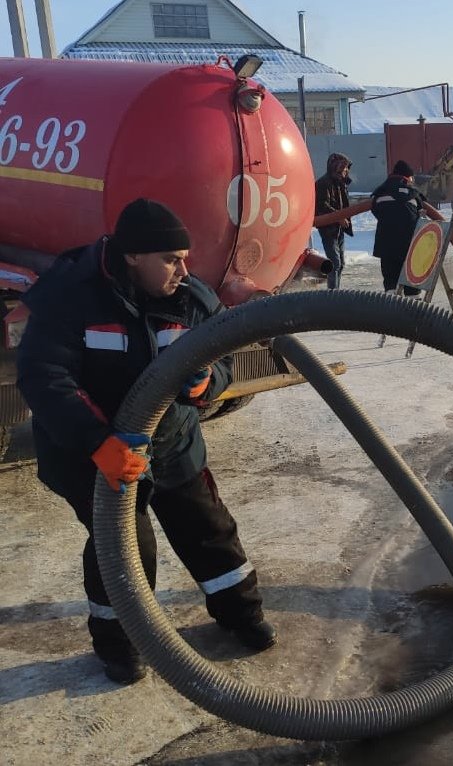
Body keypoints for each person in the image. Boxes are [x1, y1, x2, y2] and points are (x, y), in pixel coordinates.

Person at [16, 199, 276, 686]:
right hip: (94, 452)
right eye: (171, 259)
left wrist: (206, 384)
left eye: (185, 257)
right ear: (133, 257)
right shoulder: (70, 295)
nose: (185, 269)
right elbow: (44, 375)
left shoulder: (191, 298)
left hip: (171, 441)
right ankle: (122, 644)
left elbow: (224, 359)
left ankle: (241, 614)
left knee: (209, 530)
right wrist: (99, 443)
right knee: (125, 544)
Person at [370, 160, 427, 296]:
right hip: (409, 245)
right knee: (411, 281)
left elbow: (376, 211)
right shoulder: (413, 193)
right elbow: (420, 213)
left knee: (390, 282)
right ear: (407, 177)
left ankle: (391, 309)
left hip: (386, 245)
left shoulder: (380, 191)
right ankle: (414, 310)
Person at [314, 153, 353, 289]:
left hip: (339, 228)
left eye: (347, 168)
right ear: (336, 167)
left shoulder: (340, 183)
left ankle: (336, 290)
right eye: (344, 167)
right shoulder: (323, 183)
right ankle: (332, 293)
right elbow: (322, 206)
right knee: (335, 263)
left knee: (341, 263)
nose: (346, 170)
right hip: (328, 228)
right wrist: (339, 217)